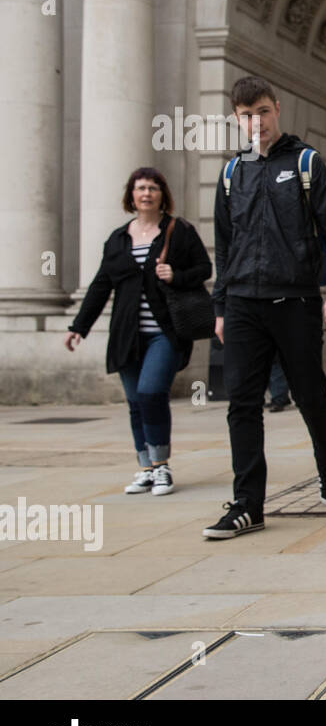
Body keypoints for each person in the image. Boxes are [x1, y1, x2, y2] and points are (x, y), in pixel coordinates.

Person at [207, 75, 326, 539]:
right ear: (237, 118)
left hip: (296, 300)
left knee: (310, 394)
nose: (257, 122)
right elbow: (224, 245)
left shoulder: (307, 162)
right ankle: (248, 503)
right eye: (247, 115)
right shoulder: (232, 173)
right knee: (242, 405)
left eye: (263, 112)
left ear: (277, 109)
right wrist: (221, 307)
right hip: (244, 303)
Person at [65, 168, 211, 496]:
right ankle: (145, 467)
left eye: (153, 188)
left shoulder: (180, 231)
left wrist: (176, 275)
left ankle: (162, 467)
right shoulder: (117, 239)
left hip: (165, 332)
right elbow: (101, 285)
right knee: (134, 401)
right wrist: (79, 327)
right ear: (131, 195)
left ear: (162, 195)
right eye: (140, 188)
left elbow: (204, 268)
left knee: (150, 392)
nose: (146, 194)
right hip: (127, 336)